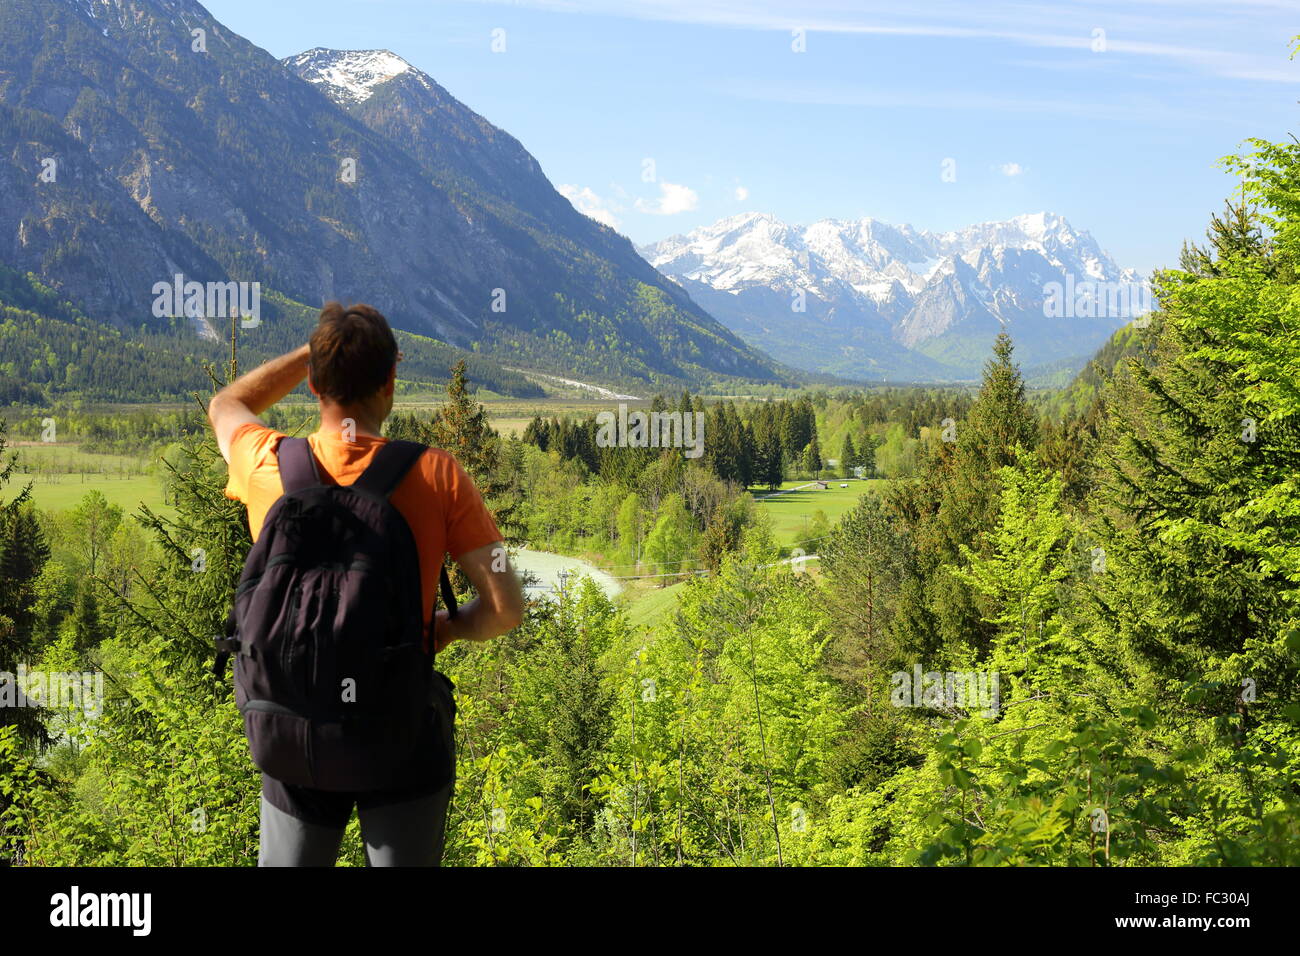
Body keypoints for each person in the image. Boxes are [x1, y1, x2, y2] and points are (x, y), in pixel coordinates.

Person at [208, 301, 524, 866]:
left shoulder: (266, 463)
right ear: (391, 381)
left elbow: (226, 403)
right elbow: (505, 608)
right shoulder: (437, 475)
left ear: (311, 383)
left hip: (291, 728)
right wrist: (445, 629)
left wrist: (320, 349)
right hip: (397, 730)